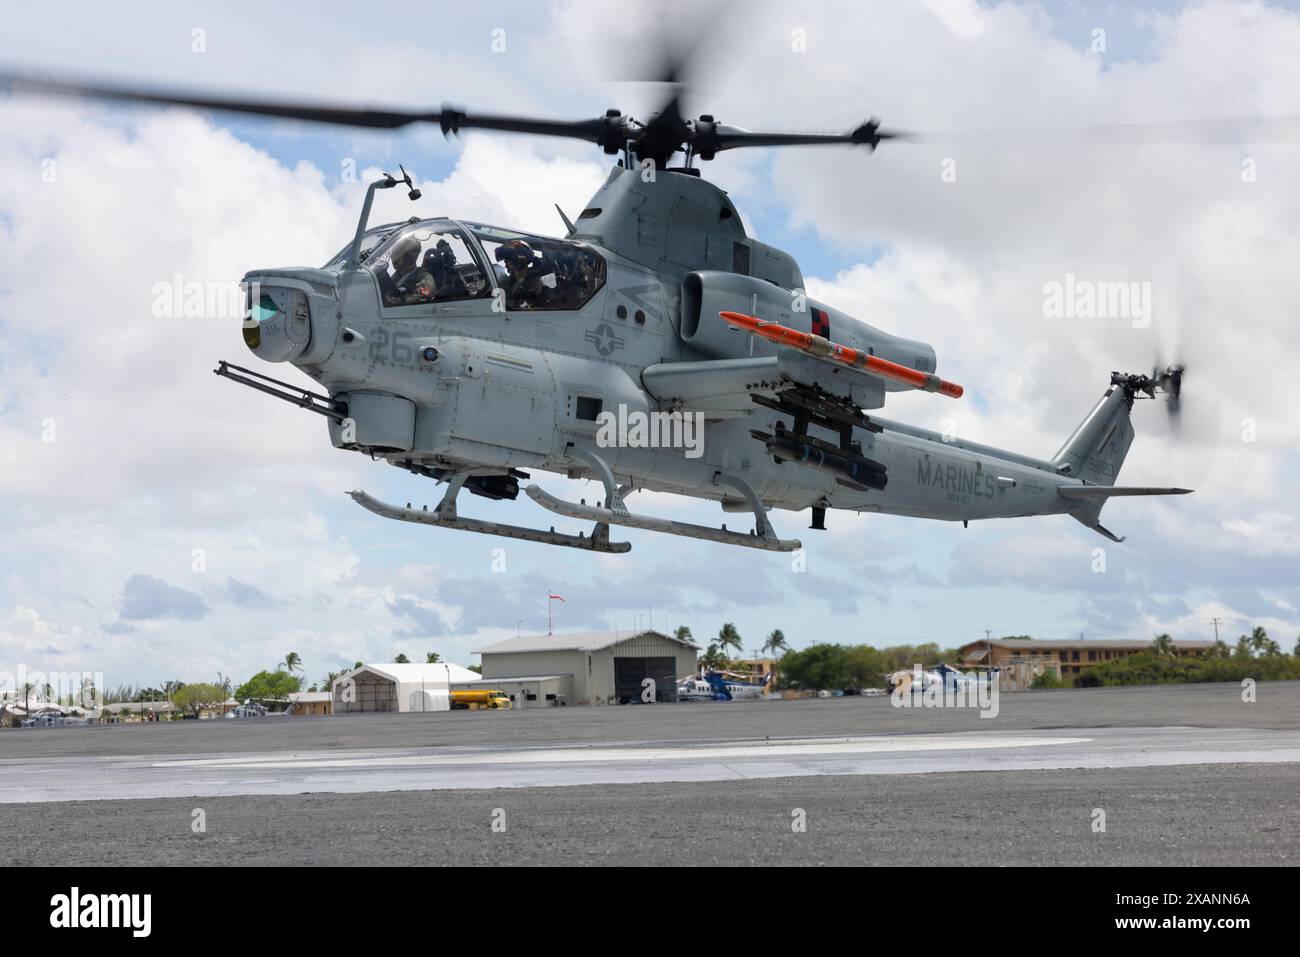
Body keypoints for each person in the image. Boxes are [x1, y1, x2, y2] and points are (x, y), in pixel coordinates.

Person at [378, 235, 436, 306]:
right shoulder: (398, 275)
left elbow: (419, 299)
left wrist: (394, 300)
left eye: (397, 251)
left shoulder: (424, 277)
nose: (393, 255)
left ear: (408, 255)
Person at [495, 239, 548, 309]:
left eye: (508, 261)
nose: (506, 265)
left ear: (519, 260)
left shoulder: (535, 281)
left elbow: (525, 307)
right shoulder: (510, 281)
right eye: (505, 262)